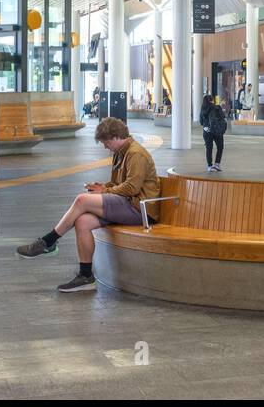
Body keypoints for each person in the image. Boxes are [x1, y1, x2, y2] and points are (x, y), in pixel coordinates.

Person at [15, 117, 160, 292]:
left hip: (140, 209)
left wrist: (105, 192)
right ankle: (86, 276)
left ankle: (48, 241)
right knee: (82, 222)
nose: (105, 146)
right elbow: (120, 184)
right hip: (127, 204)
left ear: (115, 137)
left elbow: (132, 187)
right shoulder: (121, 152)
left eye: (106, 142)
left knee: (82, 200)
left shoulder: (136, 153)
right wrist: (104, 186)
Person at [199, 93, 228, 172]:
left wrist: (206, 126)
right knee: (220, 147)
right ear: (212, 100)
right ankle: (217, 164)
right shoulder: (217, 107)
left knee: (209, 148)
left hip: (207, 131)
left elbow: (201, 122)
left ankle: (209, 166)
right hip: (217, 131)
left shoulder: (203, 109)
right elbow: (223, 118)